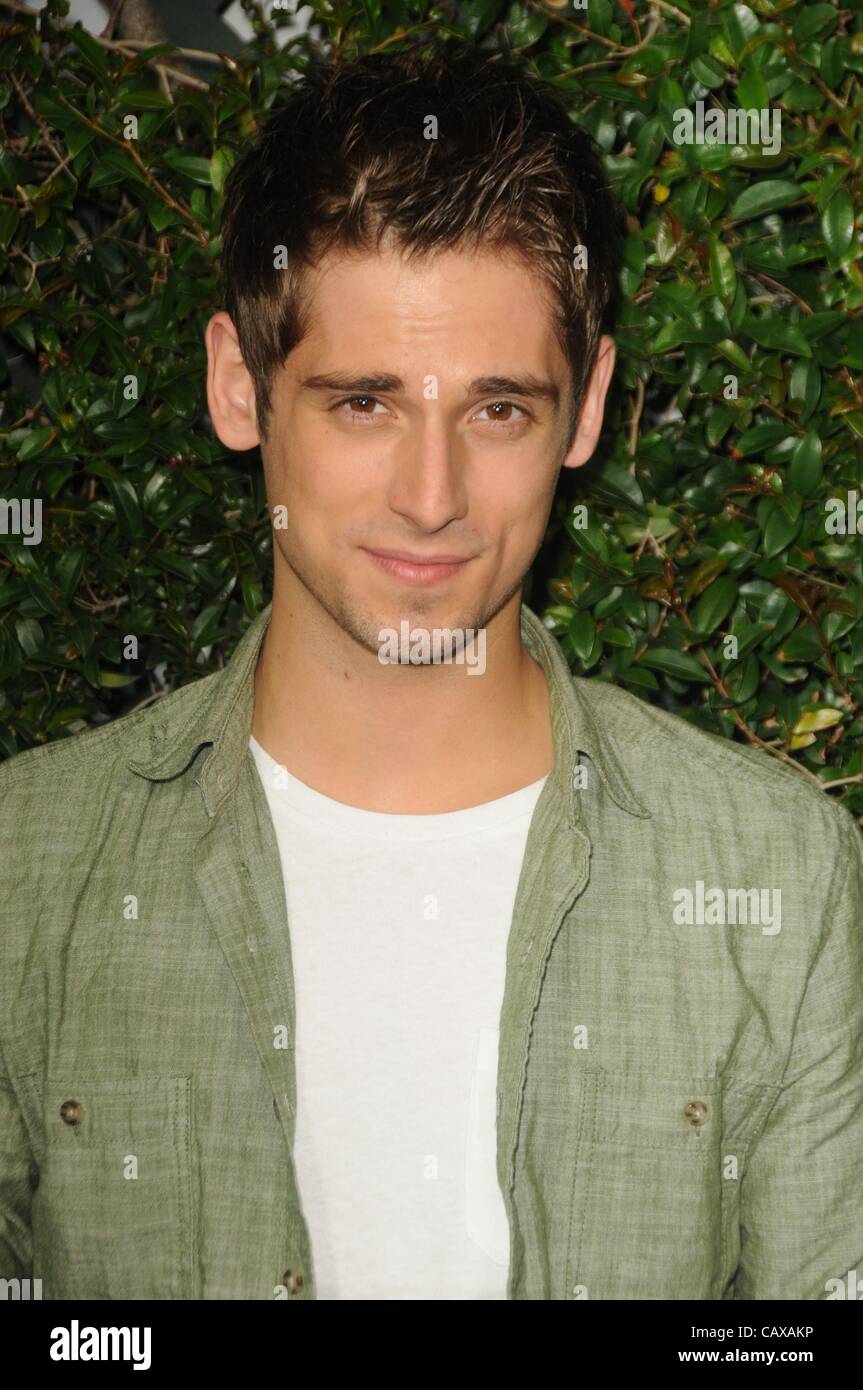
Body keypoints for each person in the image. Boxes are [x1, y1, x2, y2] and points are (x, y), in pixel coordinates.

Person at [1, 42, 861, 1302]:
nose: (430, 494)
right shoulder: (26, 870)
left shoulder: (777, 877)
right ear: (239, 387)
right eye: (362, 402)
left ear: (583, 411)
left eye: (497, 408)